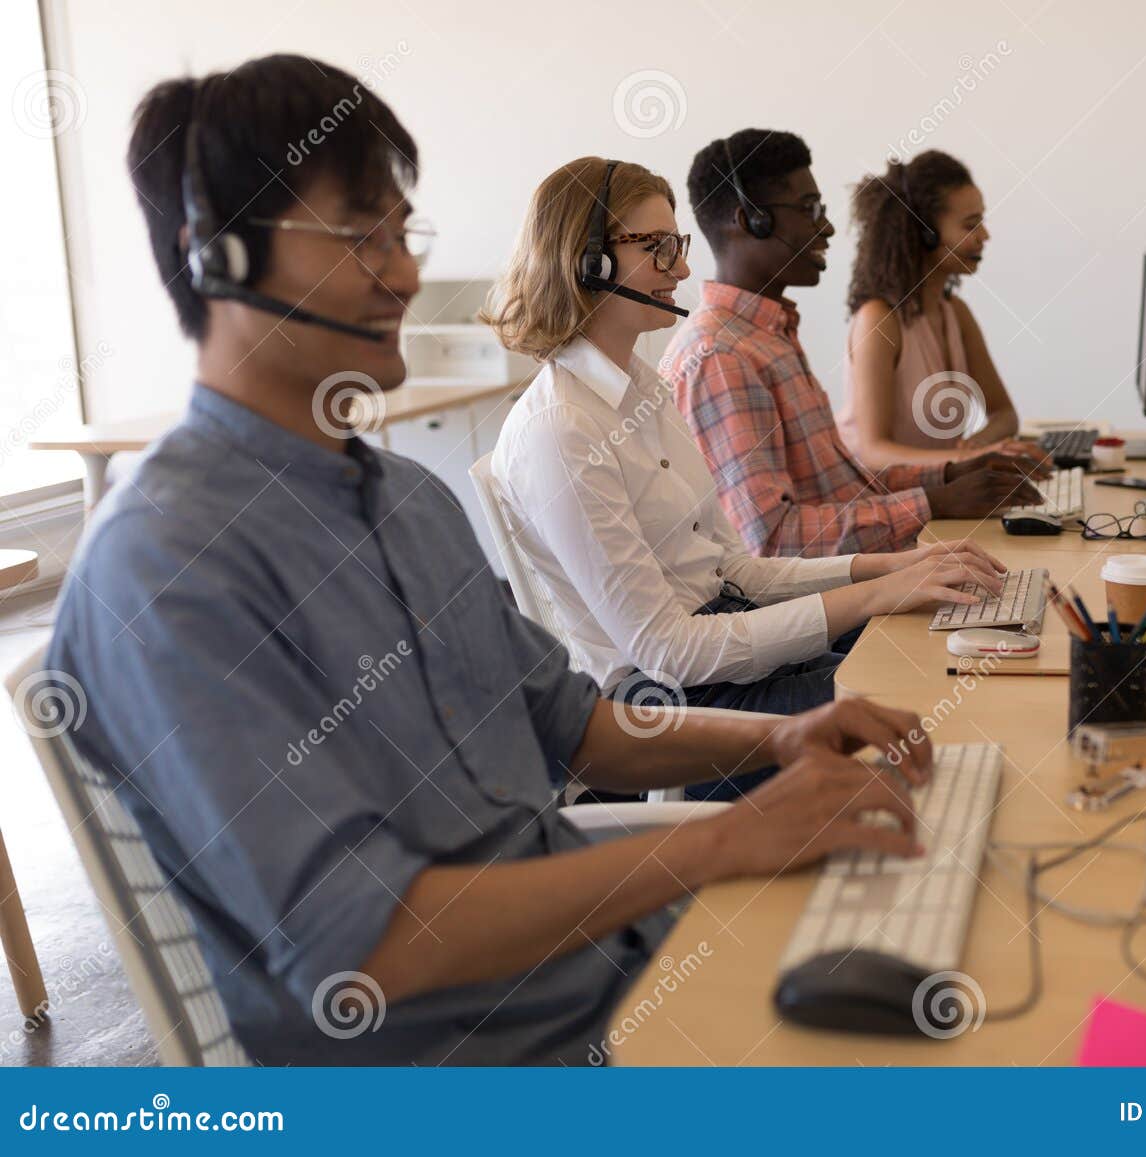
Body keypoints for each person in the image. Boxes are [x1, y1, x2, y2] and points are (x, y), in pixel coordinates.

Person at [47, 55, 933, 1067]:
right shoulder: (167, 567)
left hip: (590, 968)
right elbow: (367, 945)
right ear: (220, 258)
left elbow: (577, 727)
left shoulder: (406, 501)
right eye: (360, 237)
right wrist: (727, 840)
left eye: (403, 234)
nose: (404, 276)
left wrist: (784, 738)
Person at [480, 157, 1004, 769]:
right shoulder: (560, 429)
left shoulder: (643, 389)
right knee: (926, 700)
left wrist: (892, 568)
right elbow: (669, 651)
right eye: (657, 248)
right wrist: (874, 595)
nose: (682, 269)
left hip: (732, 657)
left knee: (935, 663)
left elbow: (734, 570)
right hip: (675, 709)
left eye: (677, 246)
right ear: (587, 262)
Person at [662, 129, 1045, 560]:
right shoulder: (720, 356)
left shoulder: (769, 335)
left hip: (858, 574)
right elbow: (772, 541)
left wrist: (953, 473)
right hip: (829, 599)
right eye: (809, 209)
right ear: (751, 219)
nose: (826, 227)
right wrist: (934, 501)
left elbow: (844, 490)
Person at [838, 151, 1040, 470]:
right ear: (925, 234)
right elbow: (874, 452)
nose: (984, 236)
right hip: (874, 492)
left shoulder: (955, 313)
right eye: (970, 225)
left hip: (936, 489)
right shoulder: (878, 321)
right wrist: (968, 459)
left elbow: (1004, 414)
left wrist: (979, 446)